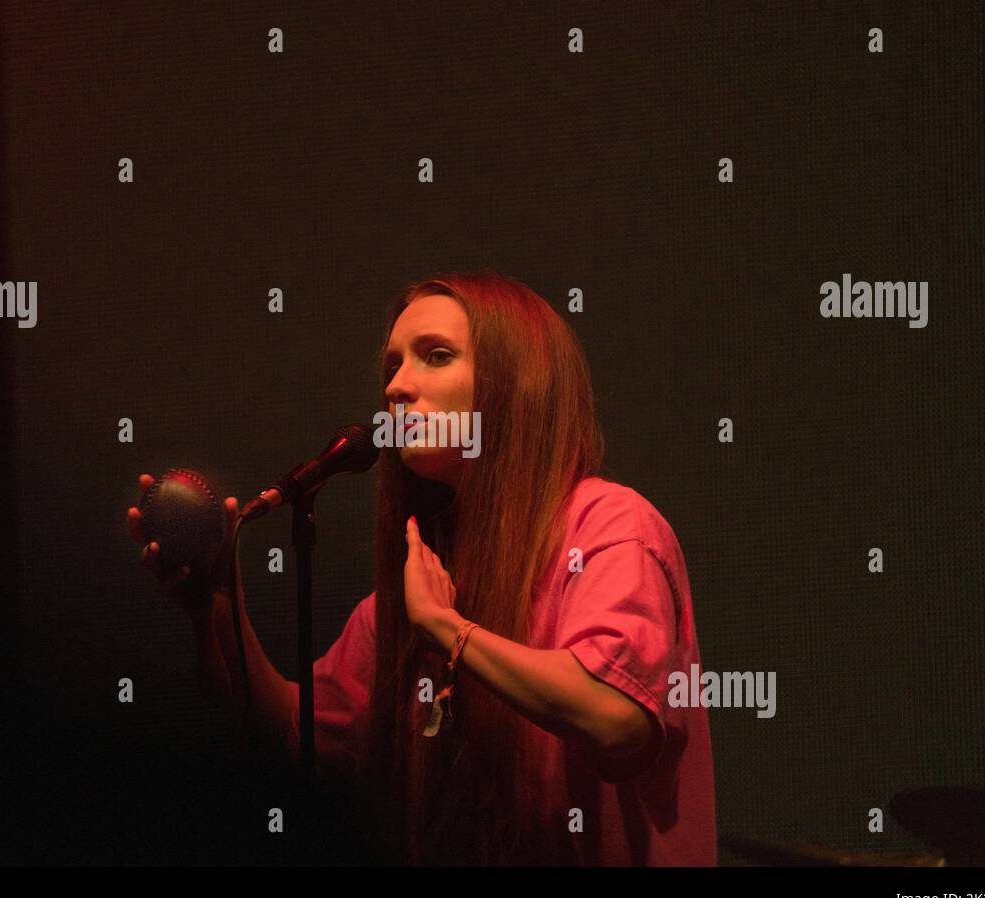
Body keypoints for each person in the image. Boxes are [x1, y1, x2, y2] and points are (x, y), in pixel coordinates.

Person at [128, 270, 717, 866]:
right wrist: (218, 605)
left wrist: (447, 628)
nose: (399, 387)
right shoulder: (409, 594)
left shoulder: (609, 527)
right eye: (391, 367)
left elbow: (617, 719)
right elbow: (287, 730)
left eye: (436, 357)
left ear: (516, 384)